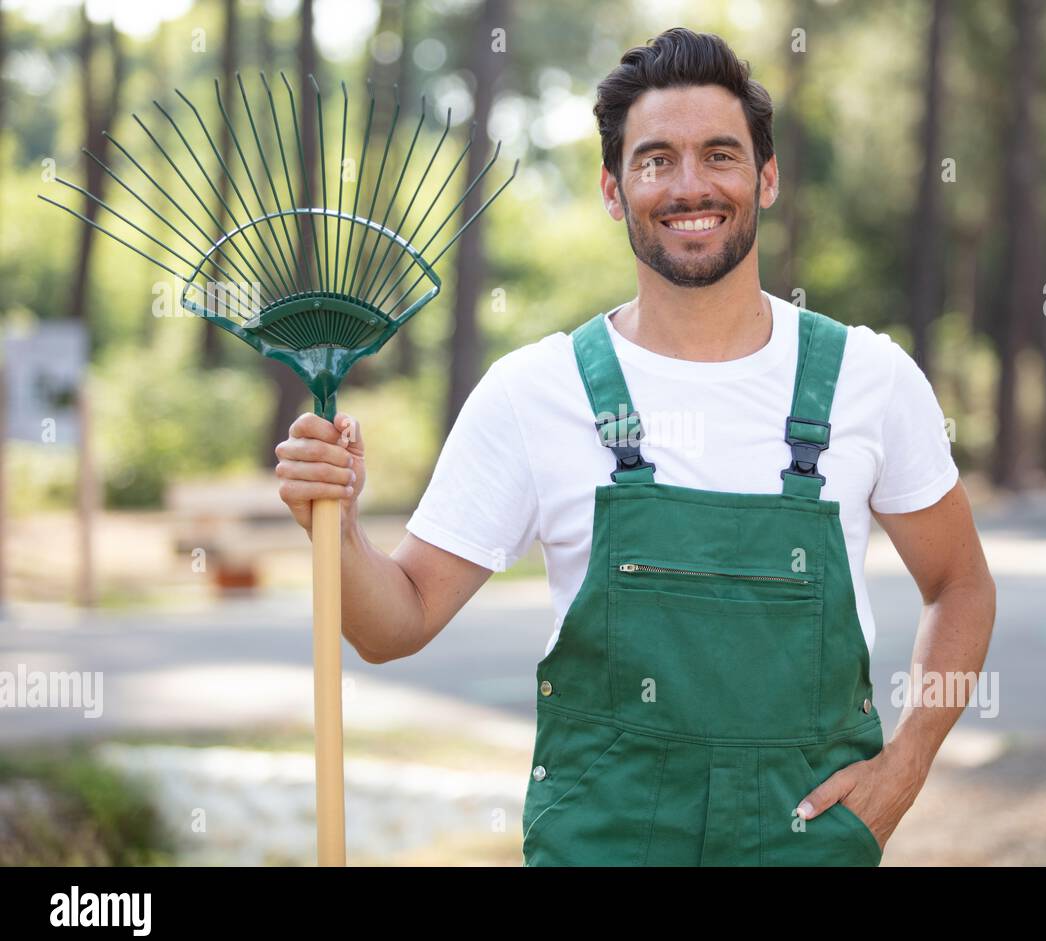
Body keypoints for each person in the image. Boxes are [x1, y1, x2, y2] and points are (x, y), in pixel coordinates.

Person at [275, 26, 995, 867]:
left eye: (720, 155)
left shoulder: (868, 380)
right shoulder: (534, 392)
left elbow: (962, 585)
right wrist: (337, 528)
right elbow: (394, 624)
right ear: (614, 190)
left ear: (766, 178)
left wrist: (905, 768)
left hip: (807, 844)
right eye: (656, 160)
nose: (690, 185)